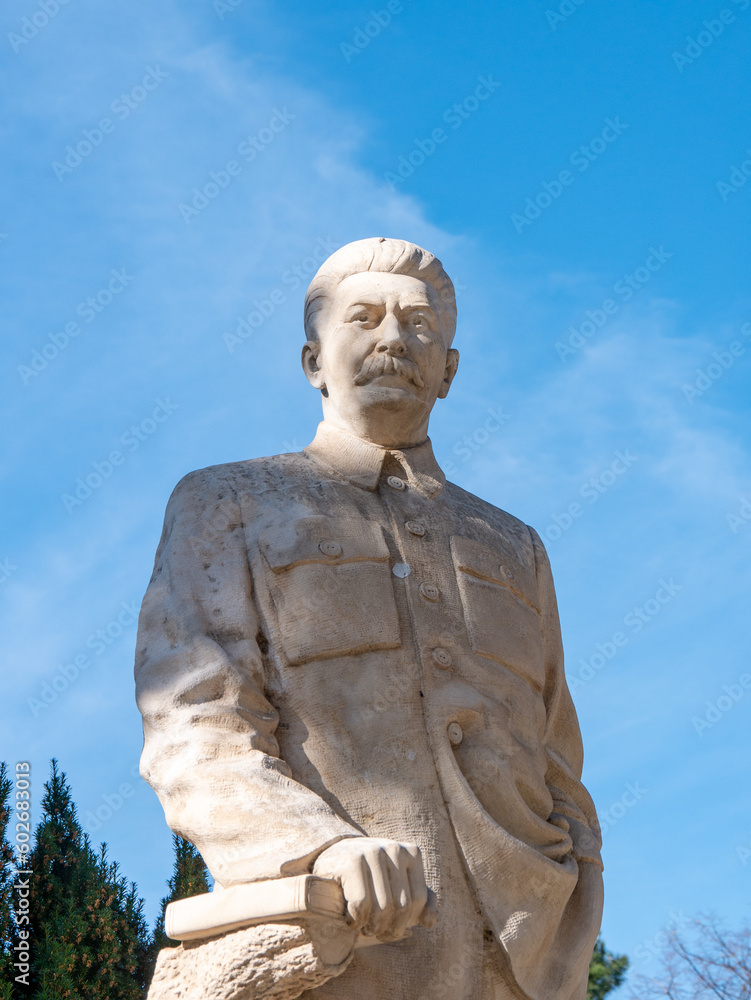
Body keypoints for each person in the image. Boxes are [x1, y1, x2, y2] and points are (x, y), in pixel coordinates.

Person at [135, 237, 603, 999]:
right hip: (341, 948)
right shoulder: (228, 503)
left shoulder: (516, 546)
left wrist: (574, 891)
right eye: (364, 317)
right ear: (313, 360)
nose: (393, 338)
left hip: (524, 962)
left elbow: (556, 759)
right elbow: (192, 723)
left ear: (448, 370)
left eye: (420, 325)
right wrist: (312, 847)